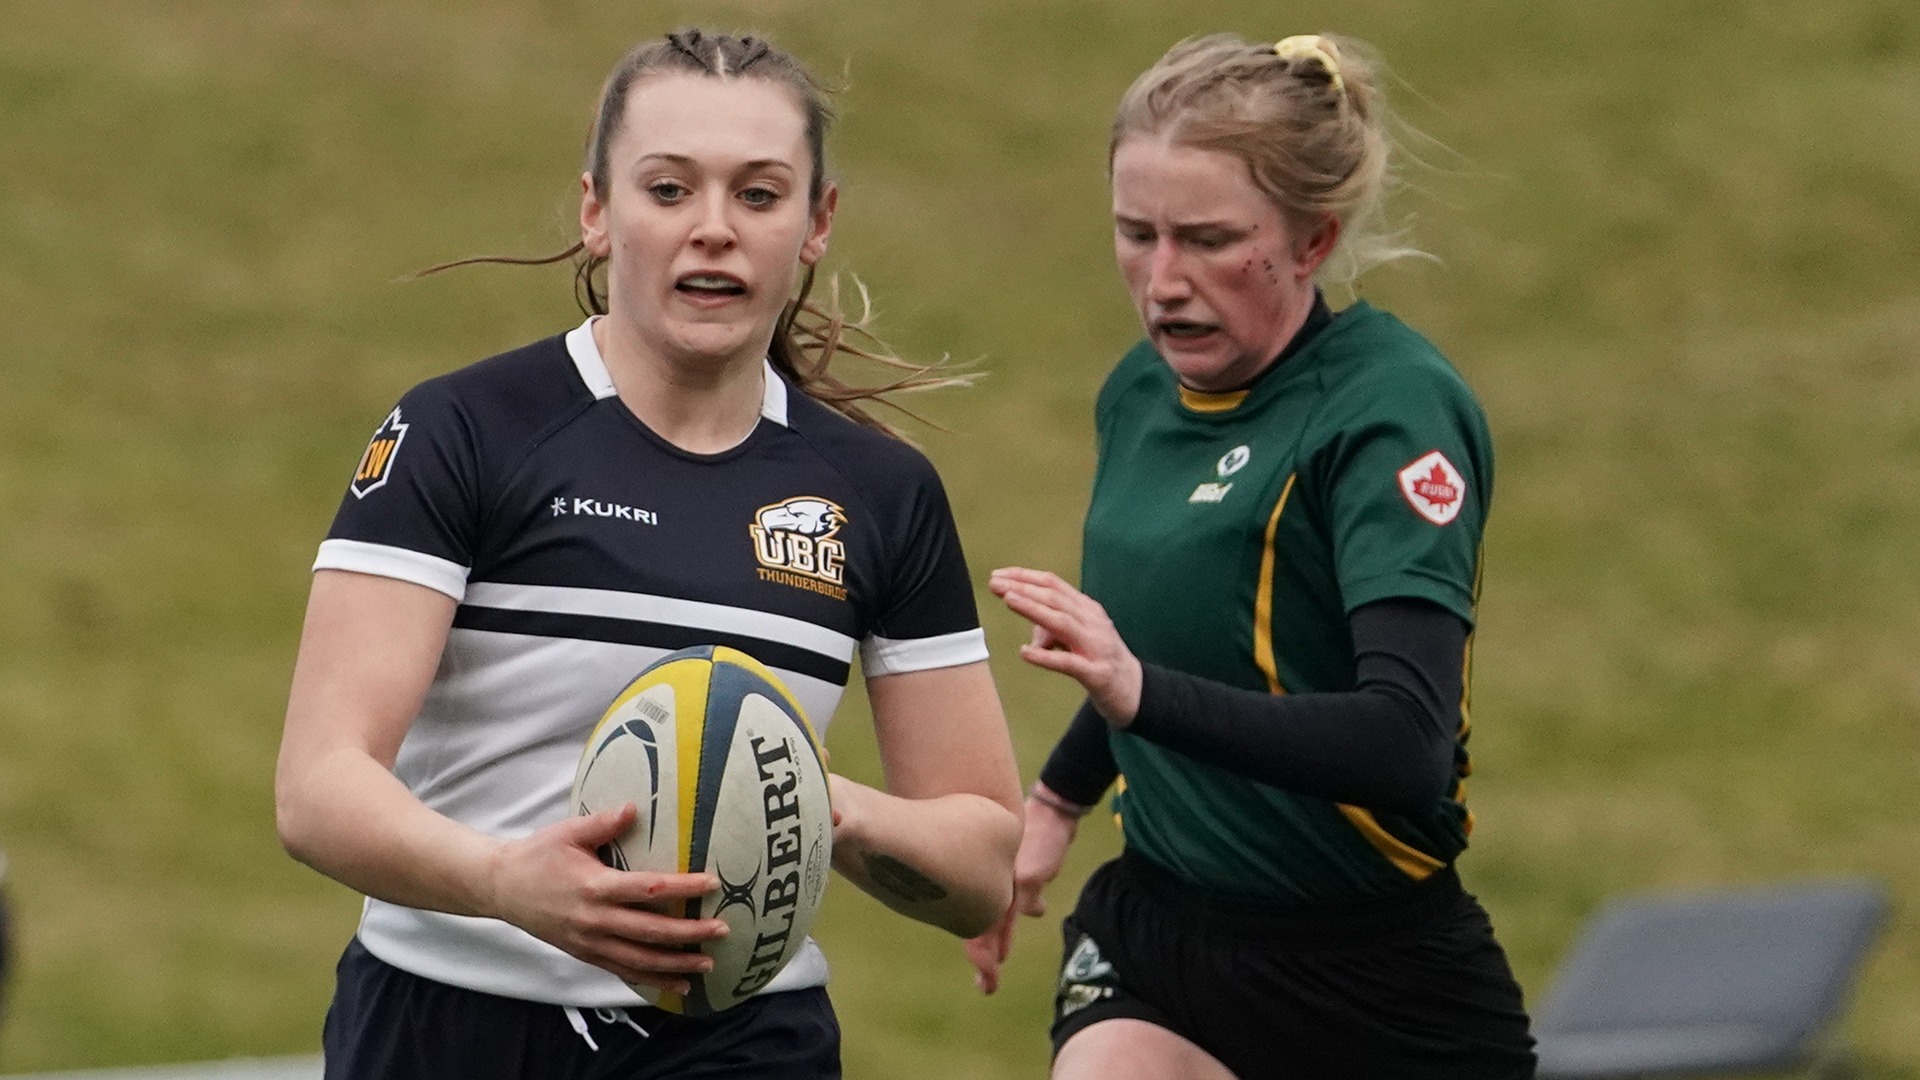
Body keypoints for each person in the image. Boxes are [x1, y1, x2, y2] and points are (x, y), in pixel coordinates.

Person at [276, 29, 1022, 1080]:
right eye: (668, 190)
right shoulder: (463, 433)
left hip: (742, 1043)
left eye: (760, 196)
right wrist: (504, 881)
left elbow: (984, 864)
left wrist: (803, 803)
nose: (713, 231)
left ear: (818, 223)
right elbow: (316, 787)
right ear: (596, 210)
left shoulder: (880, 495)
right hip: (447, 1025)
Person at [965, 32, 1537, 1080]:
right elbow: (1164, 651)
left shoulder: (1388, 412)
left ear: (1312, 241)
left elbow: (1404, 742)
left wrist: (1139, 696)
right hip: (1162, 939)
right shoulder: (1140, 393)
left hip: (1375, 981)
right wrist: (1054, 802)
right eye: (1135, 234)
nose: (1163, 281)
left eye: (1209, 238)